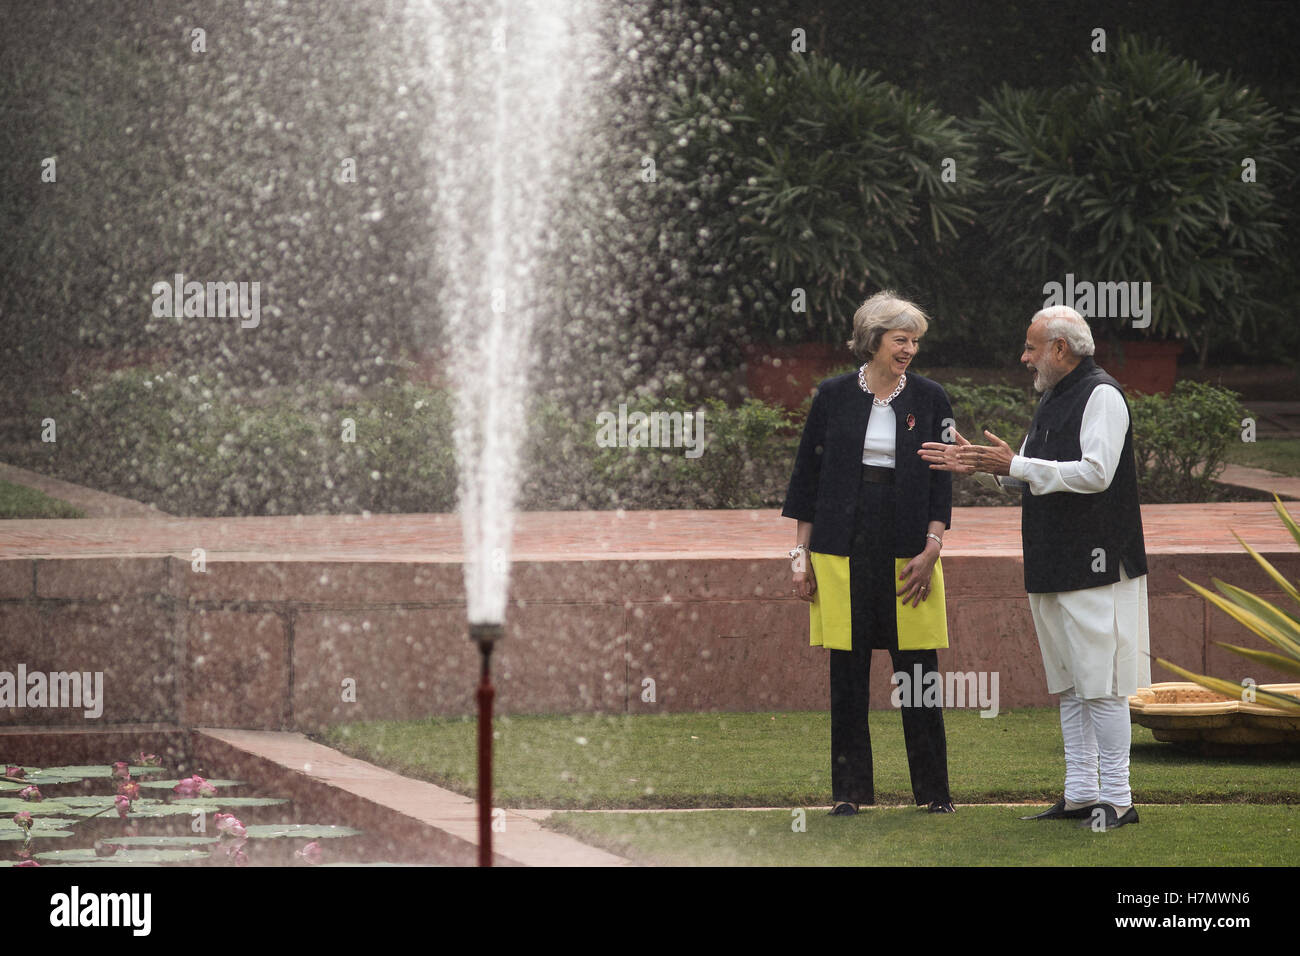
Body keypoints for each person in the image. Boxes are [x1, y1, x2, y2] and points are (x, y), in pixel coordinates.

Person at [919, 305, 1149, 831]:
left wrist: (1014, 465)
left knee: (1104, 685)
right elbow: (1025, 476)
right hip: (1051, 562)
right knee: (1070, 684)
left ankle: (1118, 798)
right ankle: (1079, 795)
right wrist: (982, 467)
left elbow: (1095, 474)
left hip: (1097, 565)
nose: (1024, 357)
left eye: (1030, 347)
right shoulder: (1053, 396)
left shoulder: (1102, 395)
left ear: (1060, 349)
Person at [783, 290, 956, 816]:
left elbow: (942, 484)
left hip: (909, 548)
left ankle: (933, 793)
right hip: (842, 549)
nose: (909, 349)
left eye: (915, 341)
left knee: (918, 674)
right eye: (900, 339)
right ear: (872, 341)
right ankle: (848, 793)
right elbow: (806, 483)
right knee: (848, 671)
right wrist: (799, 554)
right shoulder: (832, 396)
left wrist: (932, 548)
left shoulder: (931, 399)